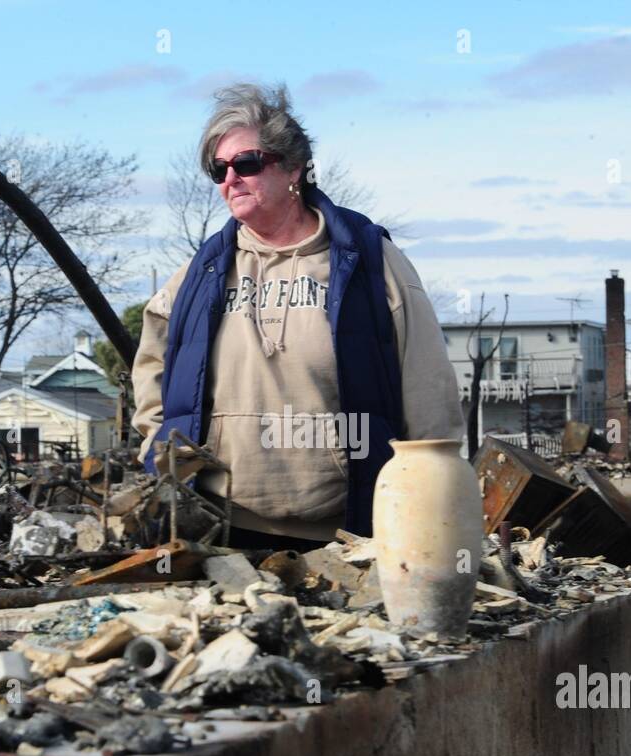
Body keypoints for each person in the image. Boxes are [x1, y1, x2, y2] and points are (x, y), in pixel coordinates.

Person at [132, 83, 463, 551]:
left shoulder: (370, 263)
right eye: (219, 168)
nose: (231, 178)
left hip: (346, 531)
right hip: (219, 526)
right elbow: (151, 367)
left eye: (246, 163)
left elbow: (428, 388)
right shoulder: (201, 272)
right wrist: (159, 449)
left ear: (294, 169)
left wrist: (433, 498)